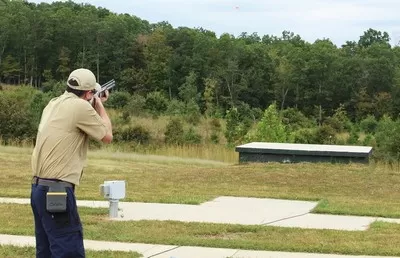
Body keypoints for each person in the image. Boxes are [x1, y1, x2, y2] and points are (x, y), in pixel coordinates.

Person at [30, 68, 113, 258]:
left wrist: (91, 101)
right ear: (89, 93)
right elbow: (107, 135)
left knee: (46, 250)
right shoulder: (81, 107)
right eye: (92, 94)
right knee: (69, 249)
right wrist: (99, 105)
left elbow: (74, 119)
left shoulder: (53, 103)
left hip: (38, 188)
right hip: (57, 190)